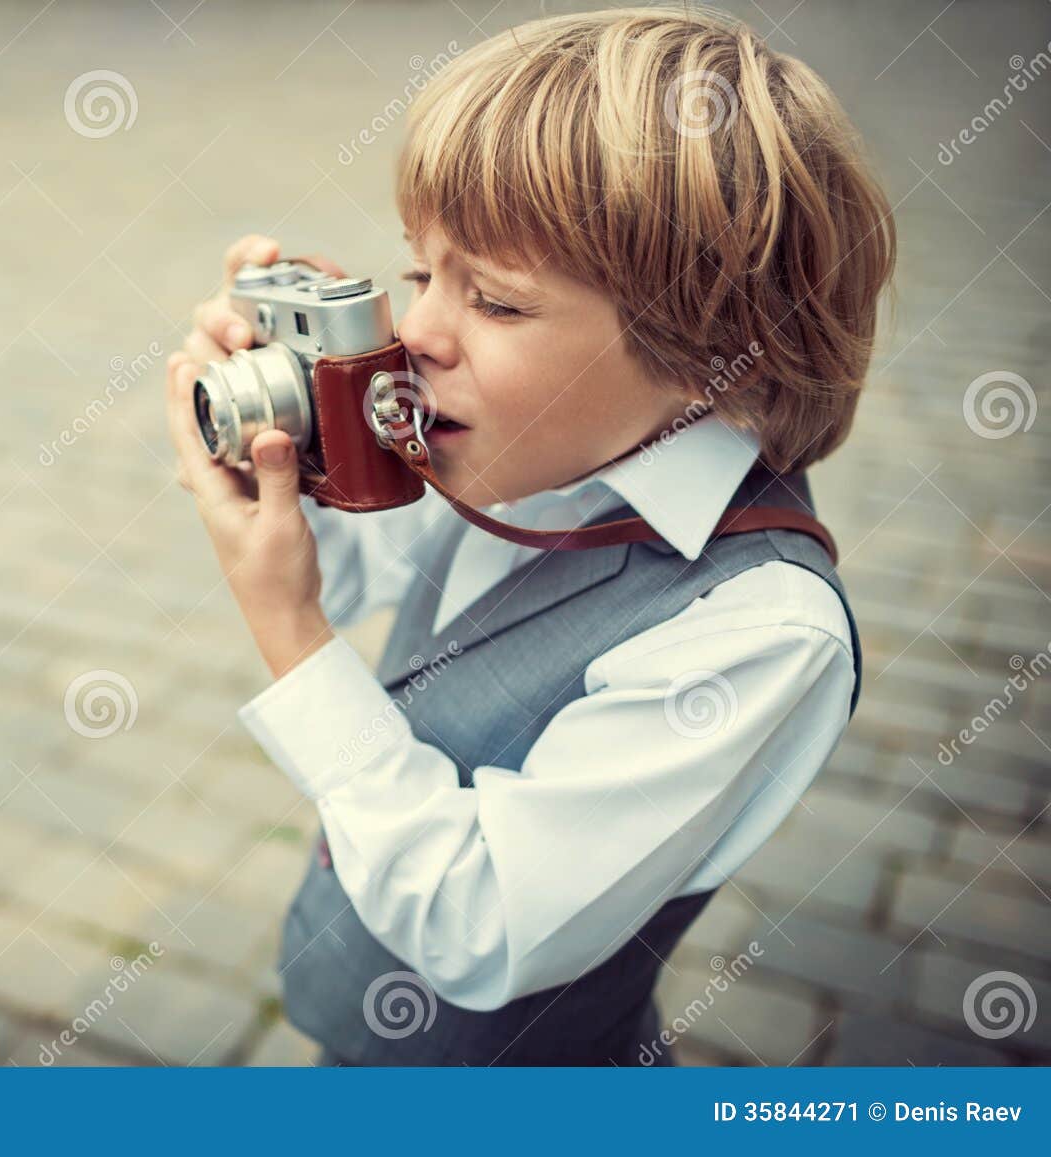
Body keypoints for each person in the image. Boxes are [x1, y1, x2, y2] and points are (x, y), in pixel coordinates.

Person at [164, 6, 895, 1065]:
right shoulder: (537, 451)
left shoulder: (759, 628)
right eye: (421, 276)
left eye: (496, 302)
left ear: (711, 352)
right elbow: (373, 571)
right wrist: (300, 445)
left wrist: (289, 630)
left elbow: (484, 925)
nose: (414, 333)